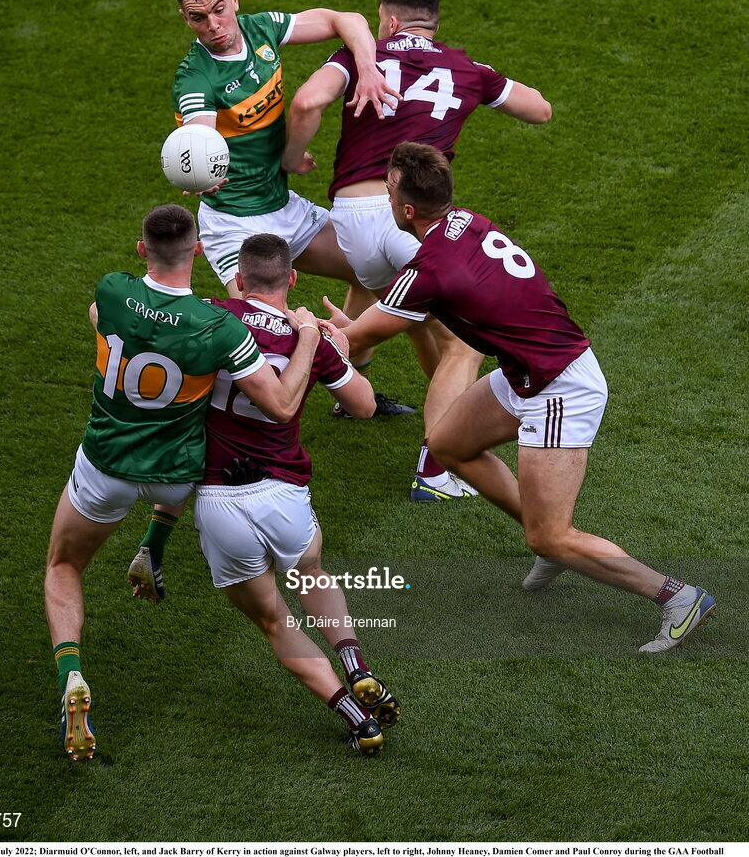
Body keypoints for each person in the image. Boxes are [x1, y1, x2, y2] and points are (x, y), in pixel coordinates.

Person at [322, 142, 716, 654]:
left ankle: (677, 596)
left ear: (407, 210)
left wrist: (311, 328)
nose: (387, 198)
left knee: (549, 534)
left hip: (559, 388)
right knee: (448, 445)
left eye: (390, 191)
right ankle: (553, 545)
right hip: (530, 370)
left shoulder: (431, 268)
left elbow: (353, 342)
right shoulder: (466, 221)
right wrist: (352, 330)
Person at [45, 205, 324, 761]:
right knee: (193, 451)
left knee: (64, 566)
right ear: (197, 252)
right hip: (178, 479)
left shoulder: (115, 288)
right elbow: (283, 403)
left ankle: (72, 677)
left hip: (106, 468)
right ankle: (155, 543)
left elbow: (97, 315)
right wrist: (311, 335)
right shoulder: (219, 327)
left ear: (140, 248)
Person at [129, 234, 400, 754]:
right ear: (292, 278)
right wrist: (331, 345)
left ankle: (357, 721)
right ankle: (355, 662)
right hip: (284, 494)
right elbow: (364, 406)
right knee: (311, 572)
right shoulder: (310, 337)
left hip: (218, 500)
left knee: (276, 623)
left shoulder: (209, 315)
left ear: (241, 278)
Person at [282, 0, 552, 499]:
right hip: (408, 221)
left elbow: (306, 103)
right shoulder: (467, 69)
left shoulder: (364, 53)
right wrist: (483, 87)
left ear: (386, 21)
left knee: (404, 308)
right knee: (464, 344)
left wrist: (292, 158)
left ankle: (352, 382)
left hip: (352, 220)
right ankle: (436, 465)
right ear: (434, 21)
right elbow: (539, 109)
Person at [169, 0, 411, 418]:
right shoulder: (196, 79)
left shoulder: (262, 30)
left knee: (372, 268)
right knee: (256, 337)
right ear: (186, 19)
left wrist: (367, 66)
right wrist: (203, 161)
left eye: (220, 9)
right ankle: (229, 425)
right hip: (235, 227)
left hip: (284, 206)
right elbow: (199, 128)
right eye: (199, 17)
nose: (214, 25)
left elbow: (349, 21)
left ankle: (352, 380)